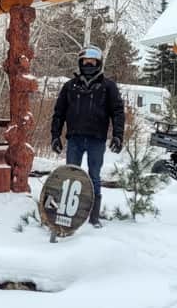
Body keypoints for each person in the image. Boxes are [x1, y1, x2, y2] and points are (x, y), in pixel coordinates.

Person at [50, 45, 125, 227]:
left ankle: (93, 216)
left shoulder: (108, 87)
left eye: (92, 61)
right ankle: (67, 213)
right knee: (70, 175)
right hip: (74, 139)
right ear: (80, 63)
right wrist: (55, 135)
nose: (88, 64)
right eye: (85, 61)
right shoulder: (70, 86)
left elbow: (117, 112)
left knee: (94, 176)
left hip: (96, 139)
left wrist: (118, 135)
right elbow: (59, 112)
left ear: (98, 63)